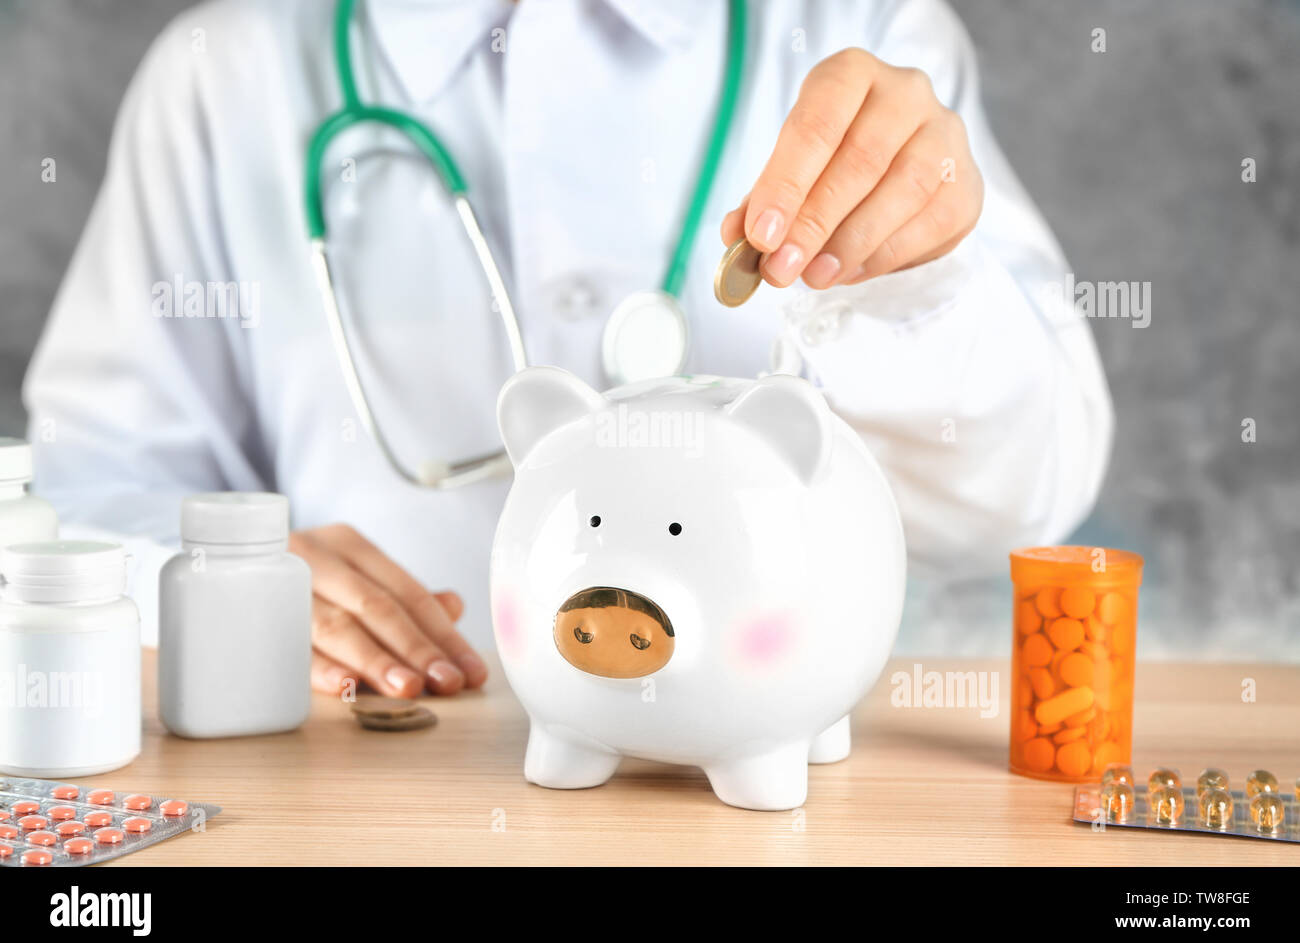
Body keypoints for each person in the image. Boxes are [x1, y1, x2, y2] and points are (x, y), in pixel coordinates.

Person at [24, 0, 1112, 699]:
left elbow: (1025, 502)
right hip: (374, 789)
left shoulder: (864, 33)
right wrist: (219, 579)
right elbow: (72, 497)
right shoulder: (231, 69)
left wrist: (910, 277)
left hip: (755, 780)